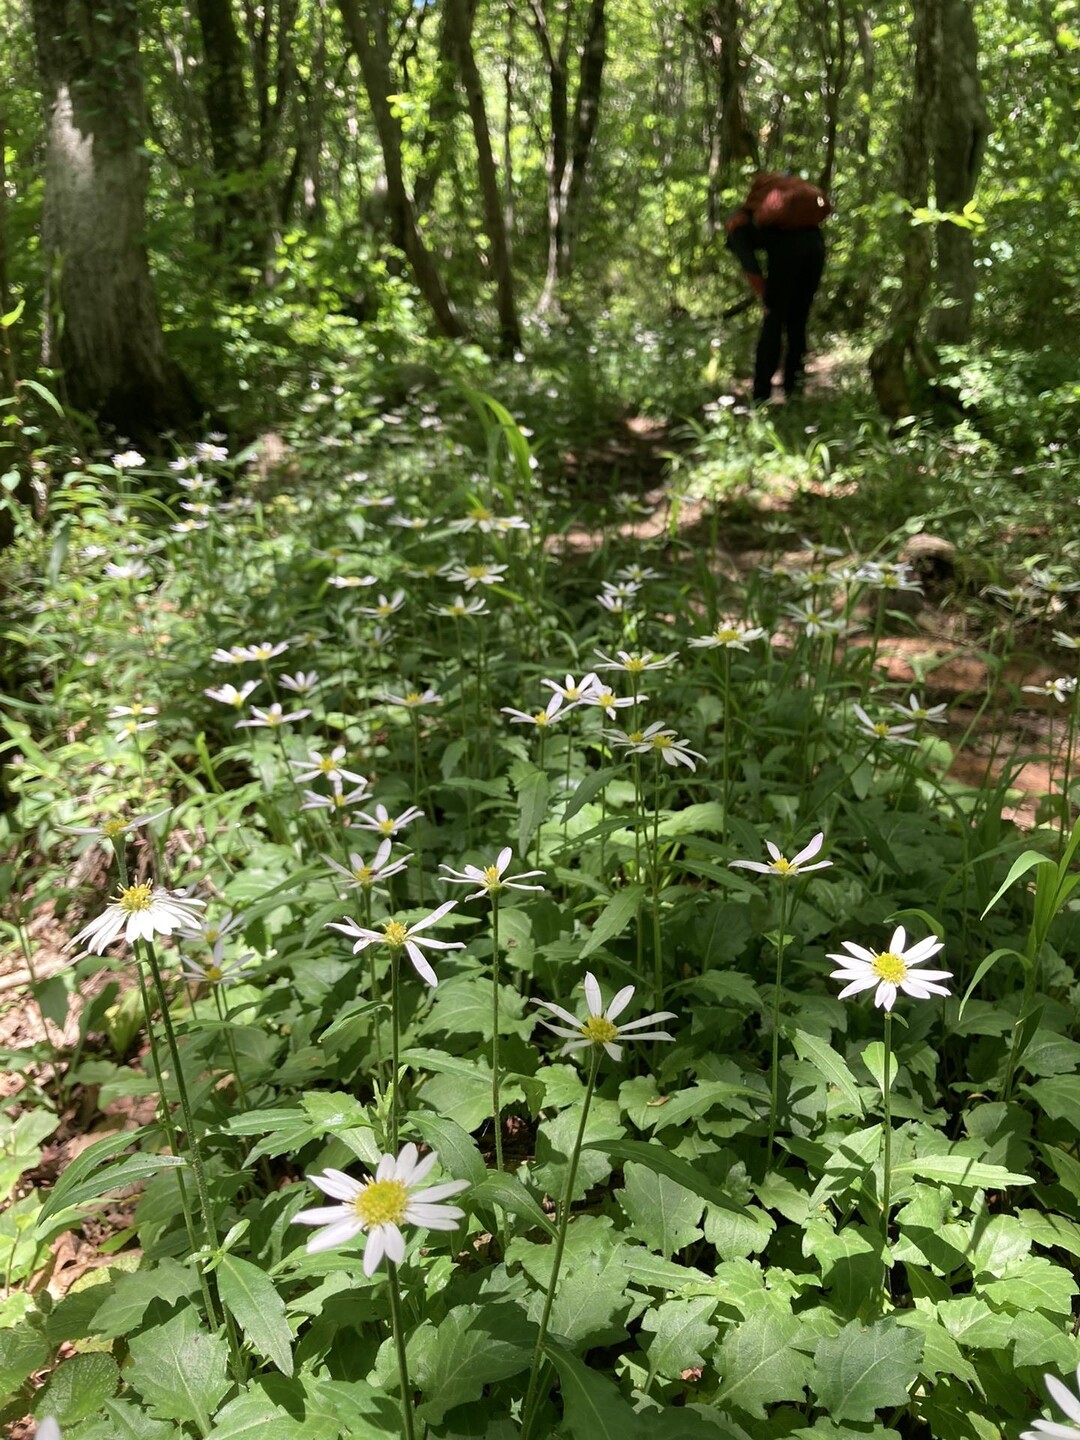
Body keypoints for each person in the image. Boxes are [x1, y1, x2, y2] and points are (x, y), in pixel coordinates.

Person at [725, 172, 831, 403]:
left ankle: (761, 394)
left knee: (773, 320)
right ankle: (794, 390)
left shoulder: (739, 230)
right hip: (816, 246)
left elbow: (750, 266)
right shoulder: (777, 217)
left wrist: (764, 295)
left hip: (788, 251)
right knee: (798, 321)